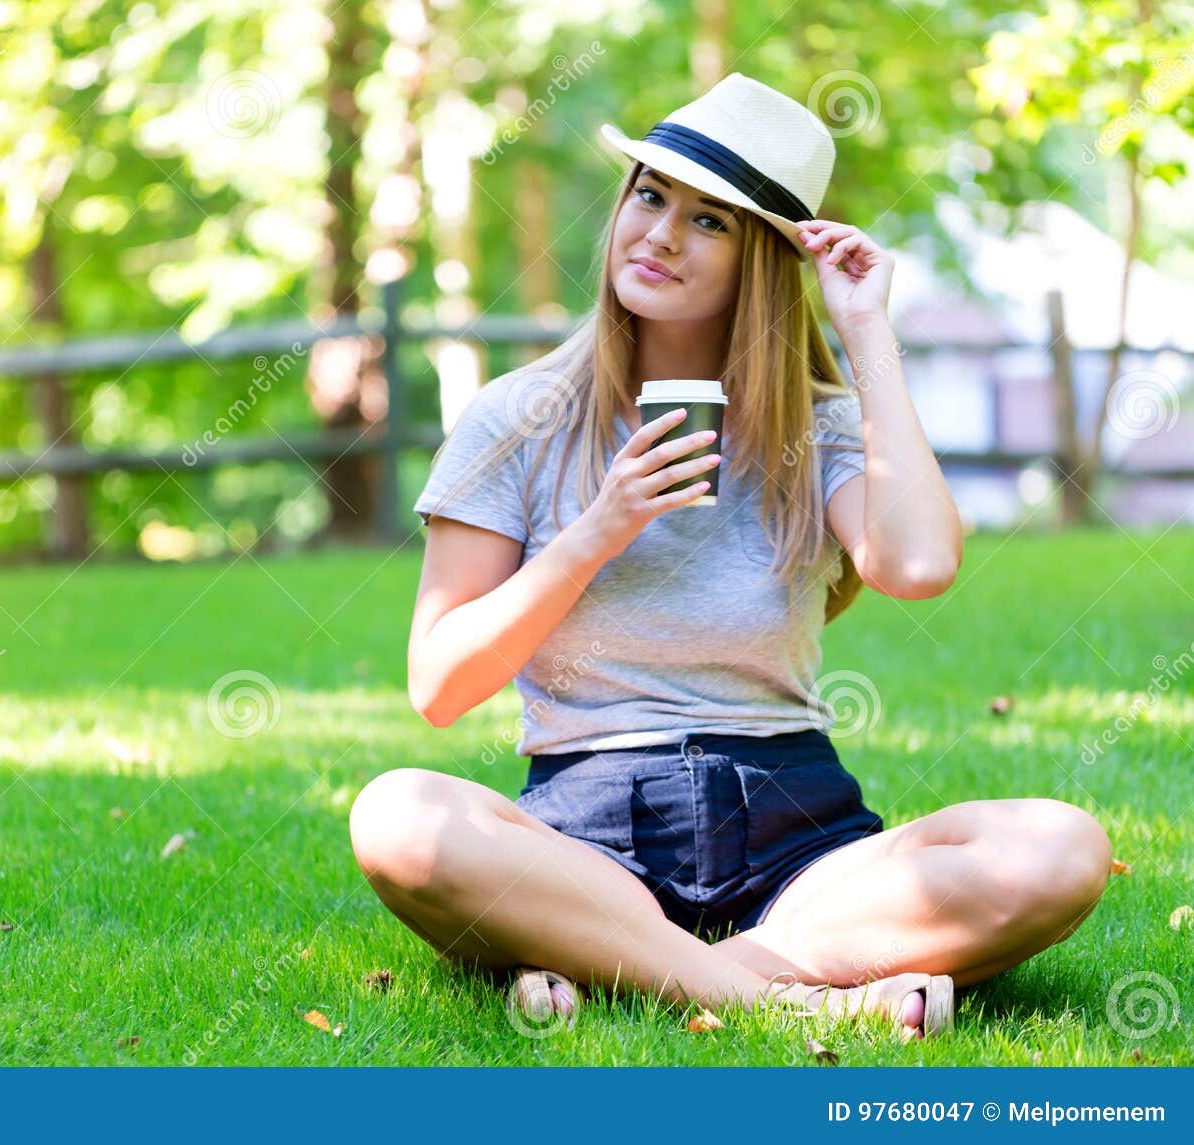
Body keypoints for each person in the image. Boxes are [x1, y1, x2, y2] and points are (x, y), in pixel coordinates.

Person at [348, 74, 1113, 1041]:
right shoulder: (517, 418)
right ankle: (780, 999)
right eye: (651, 195)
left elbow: (915, 565)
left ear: (761, 260)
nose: (662, 234)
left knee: (1060, 845)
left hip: (801, 842)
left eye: (711, 222)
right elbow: (441, 685)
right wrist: (598, 531)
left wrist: (866, 328)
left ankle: (619, 965)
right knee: (397, 815)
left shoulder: (819, 424)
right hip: (585, 834)